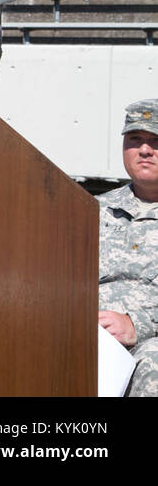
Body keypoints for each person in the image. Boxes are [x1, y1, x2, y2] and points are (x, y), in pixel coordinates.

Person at [99, 98, 158, 396]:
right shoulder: (89, 210)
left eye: (155, 140)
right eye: (135, 139)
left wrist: (137, 324)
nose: (145, 149)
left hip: (150, 343)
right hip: (85, 335)